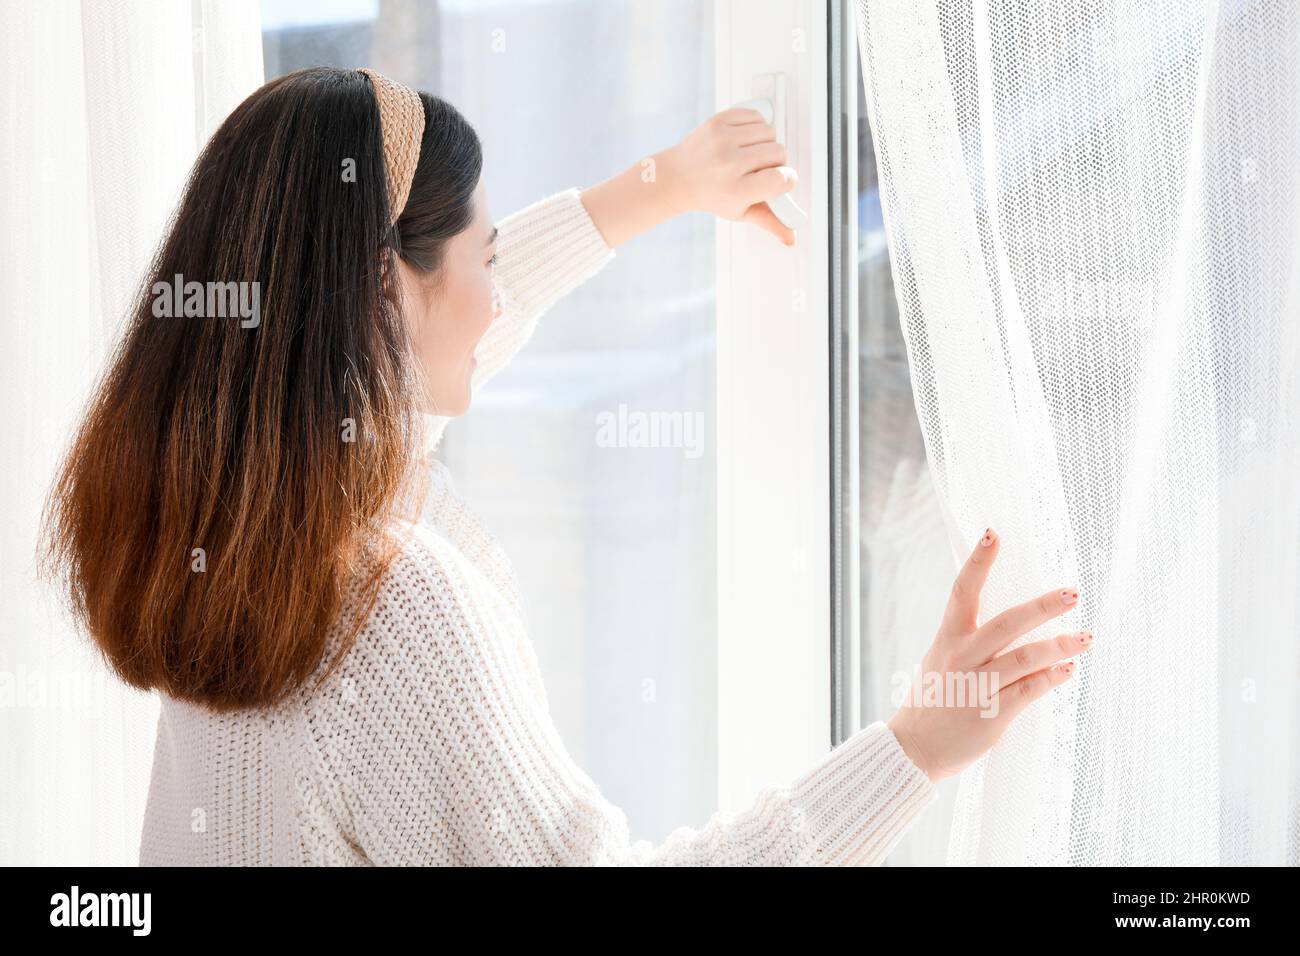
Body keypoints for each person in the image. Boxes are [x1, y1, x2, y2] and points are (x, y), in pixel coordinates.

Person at [41, 67, 1090, 866]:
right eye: (482, 259)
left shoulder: (222, 530)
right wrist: (911, 747)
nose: (496, 298)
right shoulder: (394, 608)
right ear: (381, 293)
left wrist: (659, 186)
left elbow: (419, 368)